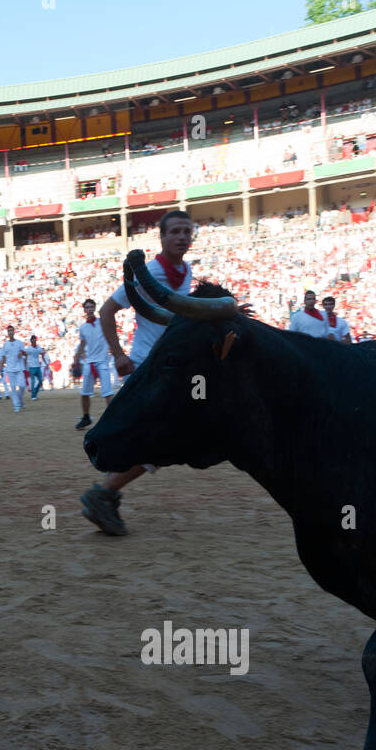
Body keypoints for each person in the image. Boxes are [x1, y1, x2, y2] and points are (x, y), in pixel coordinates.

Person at [80, 210, 243, 536]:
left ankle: (105, 491)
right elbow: (107, 310)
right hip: (147, 367)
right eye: (176, 232)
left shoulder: (185, 271)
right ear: (162, 238)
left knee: (166, 436)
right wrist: (118, 355)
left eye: (187, 231)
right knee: (165, 438)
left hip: (172, 369)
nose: (182, 237)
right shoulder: (149, 272)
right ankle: (104, 492)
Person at [72, 298, 111, 429]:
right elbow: (82, 343)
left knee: (107, 392)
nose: (89, 309)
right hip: (90, 362)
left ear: (94, 308)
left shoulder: (102, 322)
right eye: (87, 307)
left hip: (102, 361)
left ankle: (113, 418)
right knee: (84, 392)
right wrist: (76, 358)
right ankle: (86, 417)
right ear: (84, 310)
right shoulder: (83, 328)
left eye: (91, 307)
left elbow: (111, 335)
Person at [0, 325, 27, 412]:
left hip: (19, 369)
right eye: (9, 331)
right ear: (7, 333)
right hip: (10, 370)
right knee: (13, 388)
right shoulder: (5, 345)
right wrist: (1, 368)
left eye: (11, 330)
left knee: (22, 386)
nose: (10, 332)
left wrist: (21, 354)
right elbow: (3, 357)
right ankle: (16, 405)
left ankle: (21, 400)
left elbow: (25, 354)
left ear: (14, 332)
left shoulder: (20, 343)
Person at [25, 335, 47, 400]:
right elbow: (26, 356)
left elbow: (42, 355)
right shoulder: (29, 348)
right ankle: (33, 395)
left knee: (40, 381)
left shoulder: (39, 347)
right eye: (33, 339)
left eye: (35, 339)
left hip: (38, 366)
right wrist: (25, 364)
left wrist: (46, 363)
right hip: (31, 366)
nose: (34, 340)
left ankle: (35, 393)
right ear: (31, 340)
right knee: (33, 381)